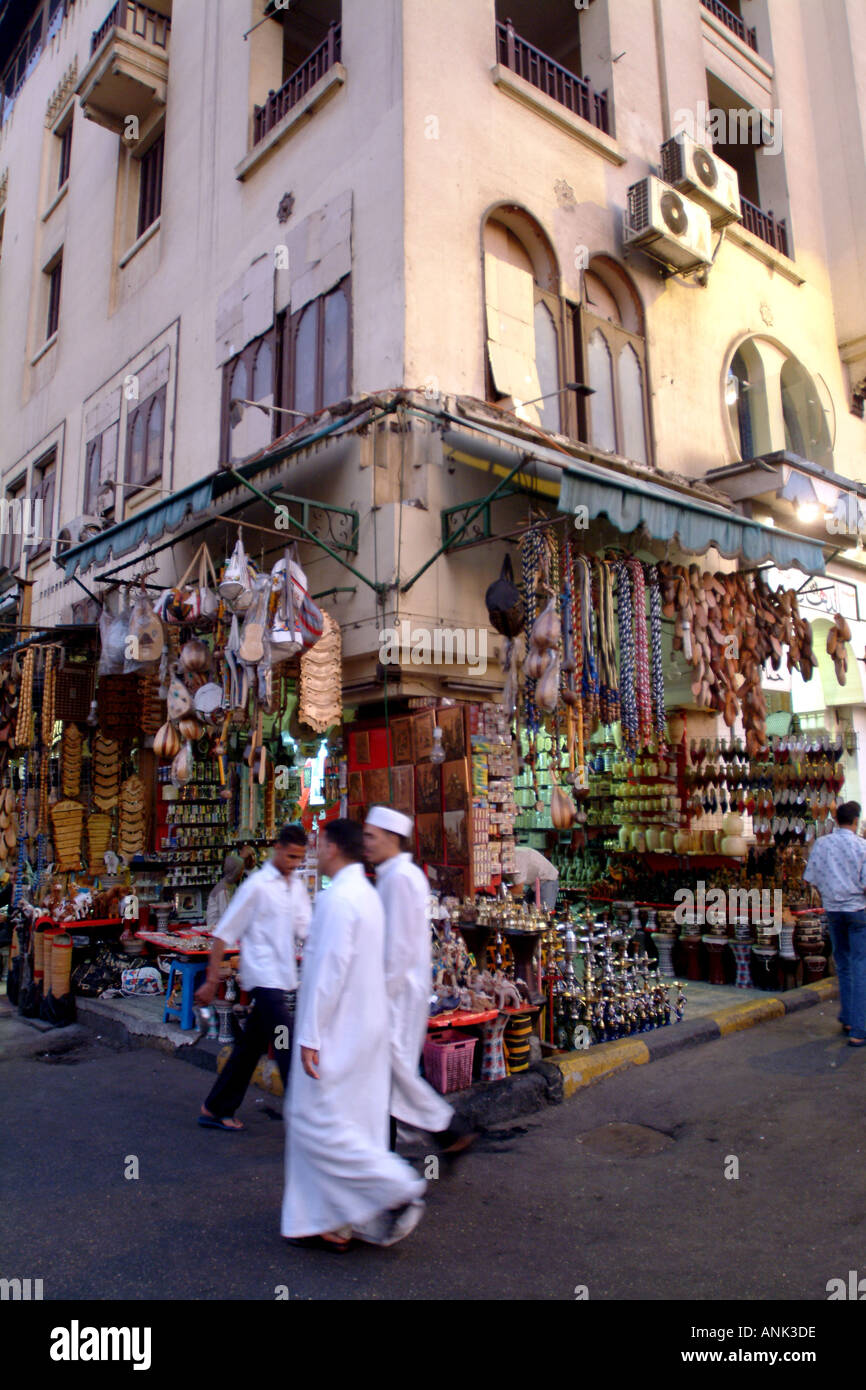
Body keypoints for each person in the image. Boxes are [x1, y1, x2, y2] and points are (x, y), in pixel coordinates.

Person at [281, 818, 426, 1252]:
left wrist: (310, 1034)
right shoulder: (365, 893)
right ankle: (336, 1221)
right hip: (364, 1028)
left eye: (317, 844)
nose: (313, 852)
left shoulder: (338, 899)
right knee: (350, 1126)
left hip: (339, 1031)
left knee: (318, 1123)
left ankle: (397, 1187)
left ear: (330, 848)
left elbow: (328, 970)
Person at [363, 805, 476, 1155]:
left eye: (371, 836)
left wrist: (378, 999)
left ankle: (445, 1130)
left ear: (391, 838)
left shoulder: (398, 879)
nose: (366, 843)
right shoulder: (396, 875)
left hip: (397, 995)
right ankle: (432, 1136)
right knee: (389, 1076)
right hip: (400, 992)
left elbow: (395, 949)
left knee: (392, 1074)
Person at [195, 824, 311, 1131]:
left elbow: (307, 931)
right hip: (263, 977)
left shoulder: (296, 886)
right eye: (290, 856)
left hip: (283, 976)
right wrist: (211, 980)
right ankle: (306, 1118)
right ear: (278, 848)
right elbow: (223, 934)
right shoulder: (257, 886)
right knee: (285, 1041)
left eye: (300, 858)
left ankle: (215, 1107)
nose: (294, 863)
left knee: (249, 1048)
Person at [804, 800, 866, 1047]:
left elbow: (812, 879)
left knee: (843, 964)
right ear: (855, 821)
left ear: (837, 820)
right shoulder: (861, 846)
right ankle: (859, 1029)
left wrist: (831, 895)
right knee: (860, 966)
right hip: (858, 911)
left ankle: (849, 1018)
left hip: (833, 911)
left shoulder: (822, 844)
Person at [511, 841, 559, 911]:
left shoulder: (516, 859)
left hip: (547, 880)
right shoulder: (509, 856)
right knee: (527, 912)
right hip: (533, 884)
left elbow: (518, 890)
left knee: (544, 914)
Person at [205, 853, 245, 930]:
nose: (242, 873)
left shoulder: (230, 885)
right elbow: (227, 914)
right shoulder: (223, 889)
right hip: (218, 930)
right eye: (241, 870)